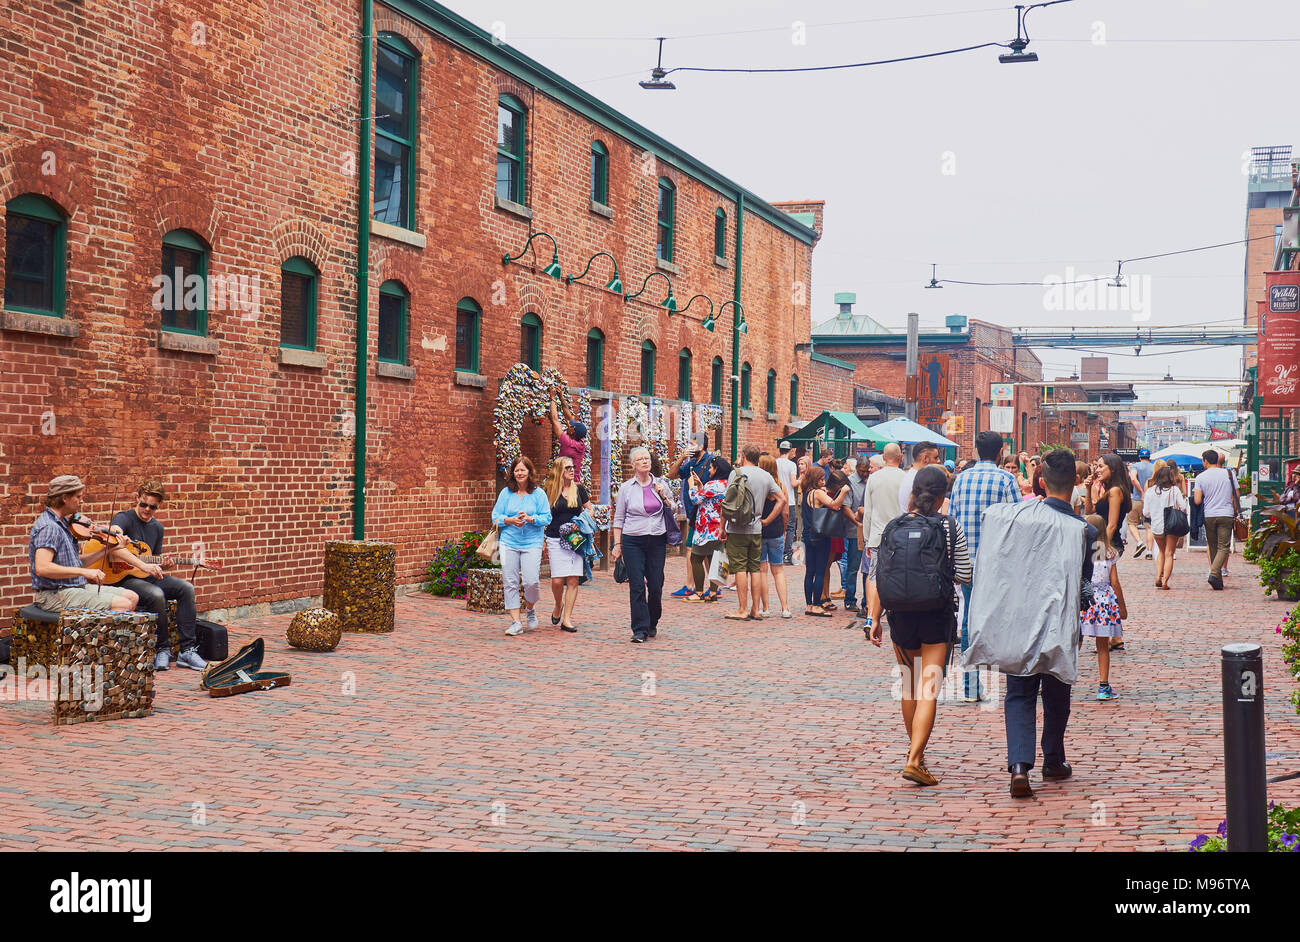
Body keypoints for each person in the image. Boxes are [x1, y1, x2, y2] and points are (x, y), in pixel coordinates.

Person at [968, 449, 1096, 799]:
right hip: (1058, 624)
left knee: (1020, 694)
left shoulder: (1014, 519)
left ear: (1041, 481)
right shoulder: (1082, 531)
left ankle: (1020, 766)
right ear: (1075, 482)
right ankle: (1053, 760)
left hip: (1019, 620)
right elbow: (1083, 587)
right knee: (1058, 694)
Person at [865, 465, 972, 787]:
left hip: (899, 614)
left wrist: (873, 618)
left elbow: (876, 575)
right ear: (942, 495)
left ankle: (917, 755)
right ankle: (914, 758)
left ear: (913, 493)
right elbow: (965, 575)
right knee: (928, 690)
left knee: (910, 685)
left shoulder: (892, 526)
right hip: (936, 613)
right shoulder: (950, 526)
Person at [949, 431, 1020, 702]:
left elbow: (953, 522)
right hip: (997, 561)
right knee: (1004, 621)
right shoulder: (1006, 479)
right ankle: (1013, 683)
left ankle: (970, 686)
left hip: (967, 561)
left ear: (977, 451)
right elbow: (1016, 522)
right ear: (1000, 451)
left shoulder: (961, 479)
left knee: (969, 619)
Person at [110, 481, 207, 671]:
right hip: (122, 577)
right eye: (143, 504)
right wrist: (118, 534)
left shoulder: (157, 528)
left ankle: (187, 651)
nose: (147, 509)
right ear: (137, 499)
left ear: (158, 506)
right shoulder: (124, 518)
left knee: (186, 588)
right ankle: (163, 649)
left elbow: (153, 561)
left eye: (152, 507)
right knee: (155, 594)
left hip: (145, 576)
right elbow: (114, 540)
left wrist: (164, 565)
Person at [28, 475, 139, 614]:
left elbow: (75, 563)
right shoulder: (49, 527)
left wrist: (110, 549)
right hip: (54, 594)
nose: (82, 500)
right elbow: (42, 568)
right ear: (65, 498)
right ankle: (100, 636)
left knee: (132, 597)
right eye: (78, 496)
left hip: (72, 587)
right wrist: (84, 572)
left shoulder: (63, 524)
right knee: (123, 604)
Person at [611, 446, 673, 643]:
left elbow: (674, 507)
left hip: (656, 539)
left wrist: (663, 495)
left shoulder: (661, 484)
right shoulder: (626, 488)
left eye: (647, 458)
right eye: (640, 459)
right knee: (637, 585)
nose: (645, 461)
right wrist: (617, 544)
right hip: (632, 540)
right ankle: (639, 629)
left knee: (655, 585)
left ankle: (652, 620)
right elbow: (619, 518)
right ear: (633, 465)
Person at [724, 444, 786, 621]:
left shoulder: (735, 473)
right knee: (755, 568)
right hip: (757, 527)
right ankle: (756, 609)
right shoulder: (765, 475)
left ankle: (742, 609)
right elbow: (781, 499)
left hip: (736, 527)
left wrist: (722, 527)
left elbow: (727, 502)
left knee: (740, 568)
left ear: (743, 456)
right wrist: (768, 519)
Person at [492, 455, 551, 637]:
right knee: (509, 581)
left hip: (531, 542)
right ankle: (516, 622)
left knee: (531, 581)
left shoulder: (539, 494)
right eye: (516, 470)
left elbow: (547, 517)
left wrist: (530, 518)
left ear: (529, 472)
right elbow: (495, 516)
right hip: (508, 541)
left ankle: (530, 608)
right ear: (513, 473)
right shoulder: (506, 493)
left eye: (522, 470)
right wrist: (509, 520)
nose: (519, 473)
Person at [542, 457, 591, 633]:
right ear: (559, 470)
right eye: (568, 467)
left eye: (573, 467)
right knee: (556, 580)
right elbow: (543, 516)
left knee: (573, 579)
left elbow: (590, 509)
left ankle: (567, 619)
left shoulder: (578, 490)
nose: (572, 470)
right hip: (554, 538)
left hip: (574, 538)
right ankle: (557, 604)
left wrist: (581, 520)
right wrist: (542, 539)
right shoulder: (549, 490)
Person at [1082, 513, 1126, 700]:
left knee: (1074, 643)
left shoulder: (1082, 552)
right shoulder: (1109, 553)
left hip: (1084, 602)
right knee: (1103, 646)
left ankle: (1060, 682)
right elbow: (1114, 582)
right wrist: (1122, 606)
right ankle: (1103, 686)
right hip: (1103, 603)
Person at [860, 442, 906, 621]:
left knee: (874, 577)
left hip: (877, 536)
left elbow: (868, 512)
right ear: (900, 457)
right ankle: (895, 614)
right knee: (898, 575)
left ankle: (871, 616)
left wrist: (866, 539)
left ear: (884, 458)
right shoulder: (905, 478)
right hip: (899, 536)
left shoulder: (874, 478)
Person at [668, 433, 714, 600]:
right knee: (707, 550)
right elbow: (671, 475)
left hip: (705, 514)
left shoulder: (711, 462)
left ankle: (691, 586)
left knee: (693, 549)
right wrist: (682, 457)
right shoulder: (691, 463)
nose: (689, 447)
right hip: (692, 512)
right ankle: (714, 586)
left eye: (692, 444)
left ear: (701, 446)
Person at [801, 465, 847, 617]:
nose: (823, 482)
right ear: (815, 480)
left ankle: (809, 604)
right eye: (821, 479)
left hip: (808, 535)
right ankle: (816, 605)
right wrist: (844, 491)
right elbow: (835, 505)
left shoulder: (807, 493)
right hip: (820, 536)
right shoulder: (818, 493)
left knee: (810, 572)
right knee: (820, 571)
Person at [685, 456, 731, 603]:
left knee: (695, 557)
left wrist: (692, 485)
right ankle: (713, 592)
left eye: (711, 468)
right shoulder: (727, 484)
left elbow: (695, 499)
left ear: (717, 469)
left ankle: (698, 592)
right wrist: (701, 485)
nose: (709, 470)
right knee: (715, 559)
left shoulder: (713, 485)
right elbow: (709, 498)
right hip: (720, 527)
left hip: (706, 528)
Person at [1194, 448, 1240, 591]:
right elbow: (1237, 494)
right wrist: (1236, 509)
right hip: (1226, 514)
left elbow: (1197, 500)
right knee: (1223, 547)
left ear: (1206, 461)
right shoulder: (1229, 473)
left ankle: (1215, 576)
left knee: (1213, 546)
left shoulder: (1200, 477)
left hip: (1209, 514)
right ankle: (1216, 576)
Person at [757, 454, 792, 618]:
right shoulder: (781, 486)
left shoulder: (758, 487)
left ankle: (765, 608)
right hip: (776, 530)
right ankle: (785, 608)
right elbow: (785, 513)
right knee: (778, 570)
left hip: (760, 530)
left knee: (762, 570)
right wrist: (783, 530)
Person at [1145, 462, 1188, 590]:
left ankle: (1158, 576)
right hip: (1172, 525)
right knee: (1169, 553)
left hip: (1157, 526)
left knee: (1161, 552)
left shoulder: (1150, 491)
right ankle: (1164, 582)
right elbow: (1184, 507)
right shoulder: (1174, 490)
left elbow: (1145, 512)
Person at [840, 457, 871, 613]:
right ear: (857, 467)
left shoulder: (871, 480)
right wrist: (856, 522)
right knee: (853, 566)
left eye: (867, 470)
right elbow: (846, 506)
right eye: (862, 470)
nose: (865, 473)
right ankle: (850, 599)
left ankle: (867, 600)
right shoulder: (850, 482)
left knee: (867, 569)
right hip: (854, 530)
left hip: (870, 530)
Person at [1084, 453, 1131, 555]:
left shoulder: (1115, 491)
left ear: (1112, 468)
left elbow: (1112, 525)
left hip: (1110, 542)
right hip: (1104, 541)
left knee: (1100, 570)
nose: (1097, 470)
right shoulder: (1109, 489)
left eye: (1101, 466)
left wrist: (1100, 551)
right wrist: (1088, 489)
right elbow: (1089, 511)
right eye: (1097, 467)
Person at [897, 441, 943, 512]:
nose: (938, 461)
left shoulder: (910, 476)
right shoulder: (920, 481)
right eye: (935, 458)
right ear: (925, 459)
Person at [549, 399, 588, 481]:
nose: (568, 425)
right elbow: (569, 417)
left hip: (567, 483)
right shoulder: (580, 443)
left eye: (571, 427)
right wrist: (561, 397)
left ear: (573, 432)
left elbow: (554, 420)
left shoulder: (568, 443)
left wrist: (552, 399)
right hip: (575, 481)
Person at [1127, 448, 1156, 559]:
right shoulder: (1154, 467)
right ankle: (1149, 552)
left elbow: (1133, 479)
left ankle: (1139, 542)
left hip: (1137, 499)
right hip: (1152, 500)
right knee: (1149, 527)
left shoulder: (1136, 466)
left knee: (1131, 522)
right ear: (1149, 457)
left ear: (1139, 457)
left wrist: (1141, 492)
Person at [776, 442, 800, 564]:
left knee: (778, 525)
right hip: (789, 500)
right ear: (790, 451)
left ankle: (777, 552)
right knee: (790, 528)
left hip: (776, 499)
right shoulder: (792, 465)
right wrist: (802, 478)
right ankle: (787, 553)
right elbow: (793, 483)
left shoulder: (775, 462)